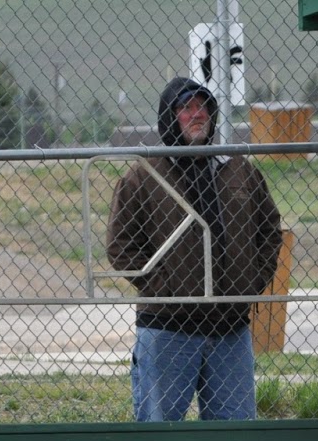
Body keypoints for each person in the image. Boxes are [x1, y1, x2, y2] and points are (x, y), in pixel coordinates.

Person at [107, 77, 284, 421]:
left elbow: (270, 230)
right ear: (169, 117)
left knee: (236, 430)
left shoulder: (238, 169)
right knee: (159, 433)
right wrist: (167, 290)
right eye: (185, 108)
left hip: (230, 329)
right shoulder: (144, 175)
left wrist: (249, 284)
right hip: (167, 328)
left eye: (202, 106)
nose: (196, 114)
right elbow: (120, 246)